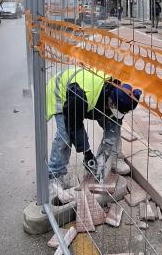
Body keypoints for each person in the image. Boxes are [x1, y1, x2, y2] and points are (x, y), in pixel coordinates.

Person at [47, 67, 142, 199]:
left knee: (114, 125)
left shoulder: (121, 96)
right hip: (62, 93)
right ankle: (54, 177)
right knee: (66, 135)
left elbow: (112, 131)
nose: (116, 112)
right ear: (111, 101)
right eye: (114, 108)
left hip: (95, 99)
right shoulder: (81, 94)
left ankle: (108, 161)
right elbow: (75, 125)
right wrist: (87, 153)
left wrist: (102, 159)